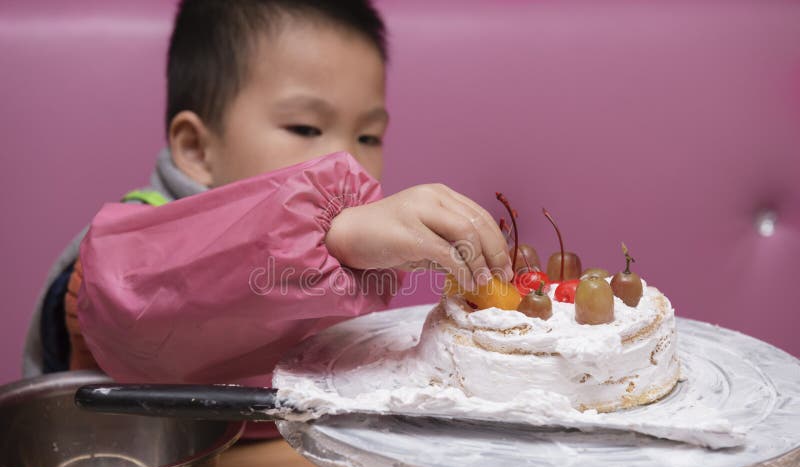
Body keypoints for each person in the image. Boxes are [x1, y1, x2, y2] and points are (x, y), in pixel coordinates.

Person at [23, 0, 512, 435]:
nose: (346, 162)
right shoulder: (134, 241)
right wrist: (331, 233)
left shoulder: (351, 261)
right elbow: (129, 296)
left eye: (368, 137)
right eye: (305, 127)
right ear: (197, 148)